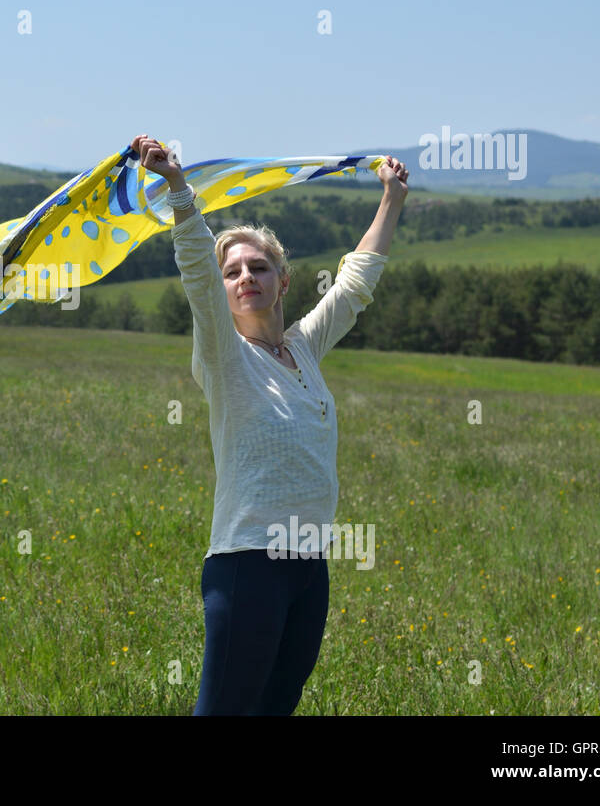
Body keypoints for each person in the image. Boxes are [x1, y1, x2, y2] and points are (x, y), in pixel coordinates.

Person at [130, 134, 408, 715]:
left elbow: (355, 283)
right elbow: (197, 278)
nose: (243, 278)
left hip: (309, 566)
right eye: (232, 272)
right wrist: (178, 188)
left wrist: (391, 198)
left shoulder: (304, 347)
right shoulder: (224, 357)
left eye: (259, 267)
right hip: (248, 564)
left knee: (276, 708)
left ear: (284, 281)